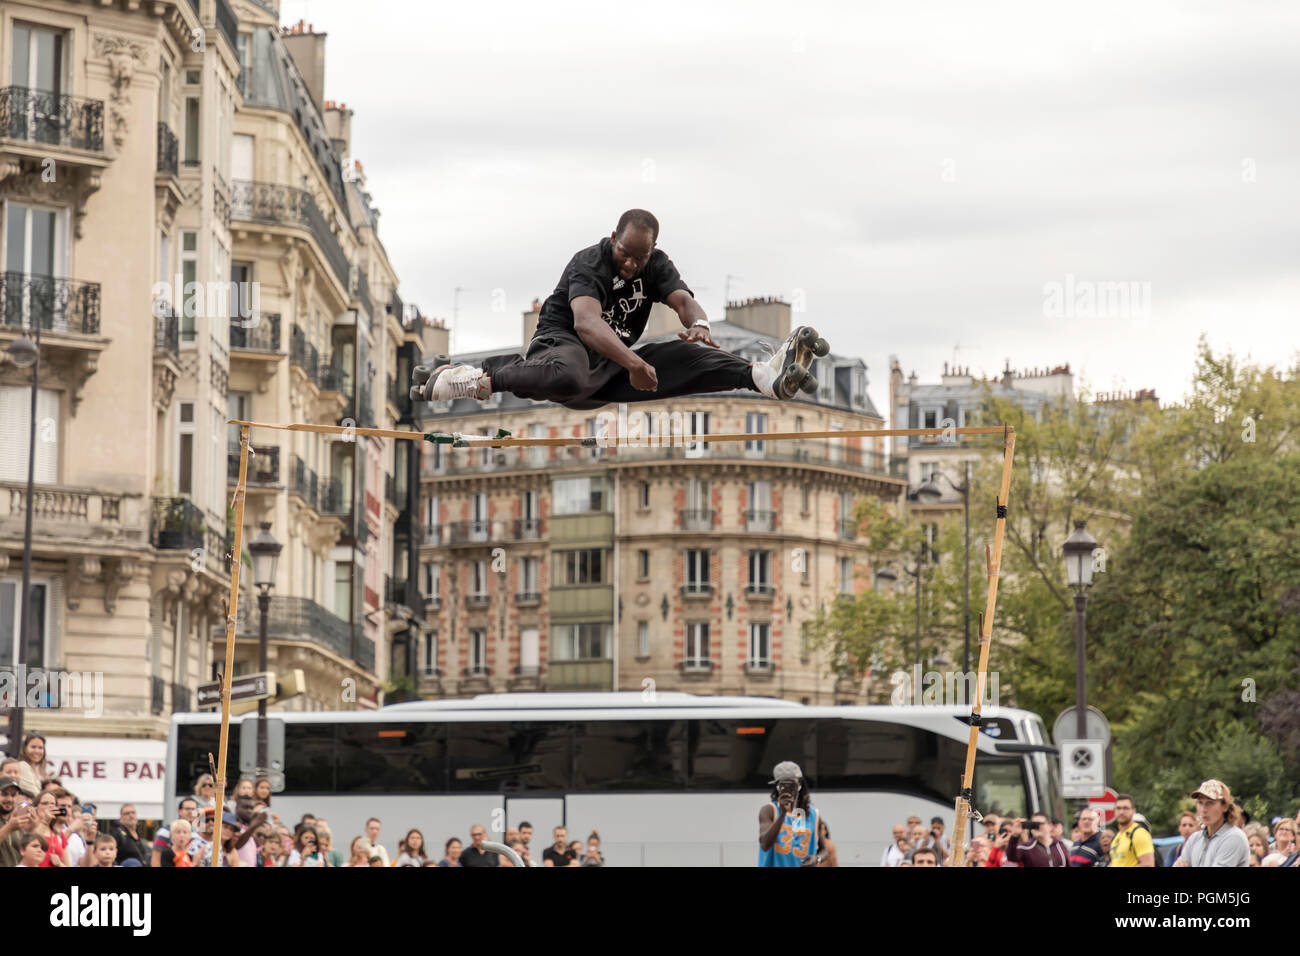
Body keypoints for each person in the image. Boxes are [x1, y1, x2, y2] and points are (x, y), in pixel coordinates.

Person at [411, 209, 828, 410]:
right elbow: (588, 325)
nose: (631, 264)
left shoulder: (656, 264)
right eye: (625, 254)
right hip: (562, 347)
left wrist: (698, 323)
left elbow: (682, 299)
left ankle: (761, 377)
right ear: (614, 238)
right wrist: (633, 363)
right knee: (571, 371)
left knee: (685, 355)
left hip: (608, 374)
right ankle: (476, 379)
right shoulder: (589, 262)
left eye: (639, 259)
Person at [757, 761, 821, 867]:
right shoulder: (769, 810)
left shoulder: (813, 814)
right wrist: (782, 814)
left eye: (792, 785)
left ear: (800, 786)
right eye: (783, 785)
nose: (789, 789)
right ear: (777, 787)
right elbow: (764, 844)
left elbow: (824, 850)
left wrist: (817, 859)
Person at [1174, 779, 1249, 867]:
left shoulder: (1234, 837)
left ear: (1224, 806)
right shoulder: (1194, 838)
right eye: (1200, 803)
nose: (1204, 809)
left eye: (1210, 803)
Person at [1004, 815, 1068, 867]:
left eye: (1039, 823)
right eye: (1033, 824)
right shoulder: (1026, 847)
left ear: (1050, 826)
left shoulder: (1060, 845)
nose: (1036, 827)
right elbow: (1011, 857)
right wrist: (1014, 836)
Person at [1109, 794, 1155, 867]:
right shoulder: (1117, 836)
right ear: (1114, 811)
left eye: (1126, 808)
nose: (1121, 812)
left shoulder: (1139, 833)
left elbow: (1148, 864)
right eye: (1118, 808)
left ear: (1133, 811)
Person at [16, 734, 46, 799]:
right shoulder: (23, 766)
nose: (37, 751)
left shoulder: (38, 769)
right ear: (25, 749)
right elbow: (33, 792)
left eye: (40, 748)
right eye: (33, 747)